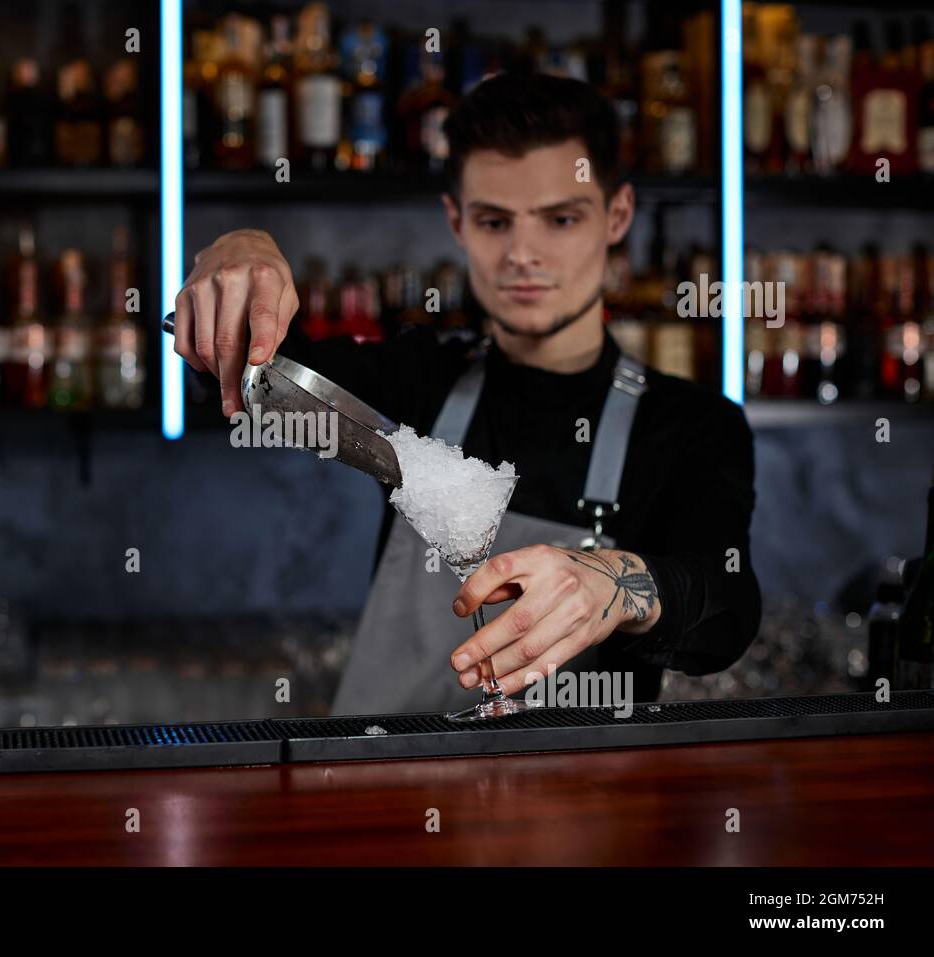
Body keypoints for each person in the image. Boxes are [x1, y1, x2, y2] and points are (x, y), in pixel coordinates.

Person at [170, 72, 762, 716]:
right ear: (456, 222)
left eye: (561, 218)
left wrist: (614, 587)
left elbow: (726, 606)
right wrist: (239, 251)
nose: (522, 254)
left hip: (584, 804)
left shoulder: (693, 424)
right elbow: (254, 372)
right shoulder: (418, 378)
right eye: (493, 221)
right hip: (388, 789)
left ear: (616, 215)